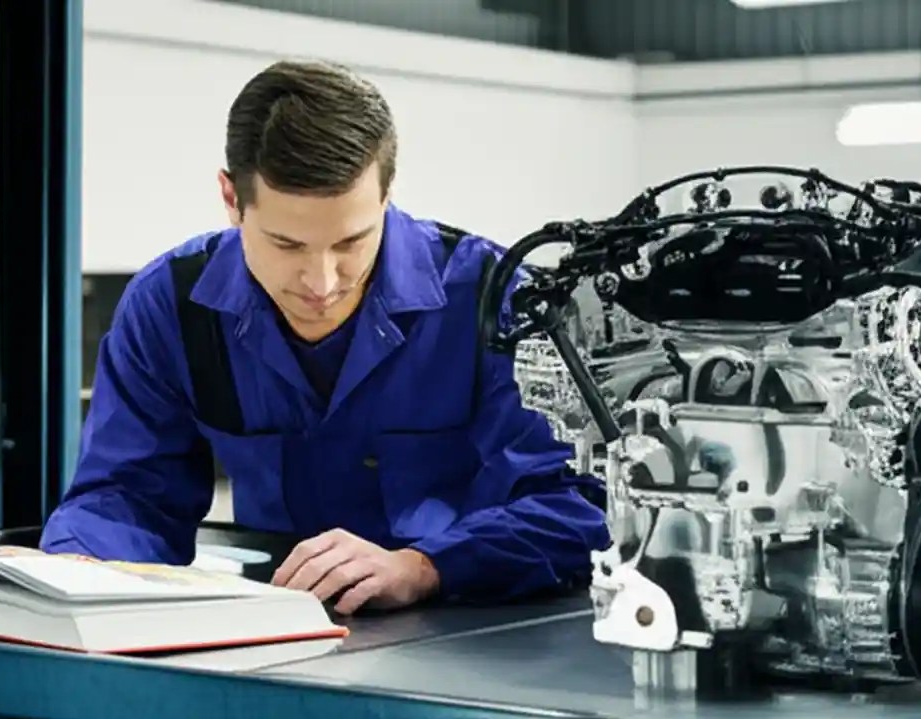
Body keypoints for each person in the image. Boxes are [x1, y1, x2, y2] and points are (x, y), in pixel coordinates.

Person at [40, 58, 609, 615]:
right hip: (276, 631)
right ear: (231, 200)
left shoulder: (498, 302)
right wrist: (76, 573)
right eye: (286, 245)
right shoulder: (171, 307)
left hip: (476, 633)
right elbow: (128, 495)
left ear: (387, 194)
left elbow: (582, 504)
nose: (322, 282)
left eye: (350, 243)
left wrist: (426, 567)